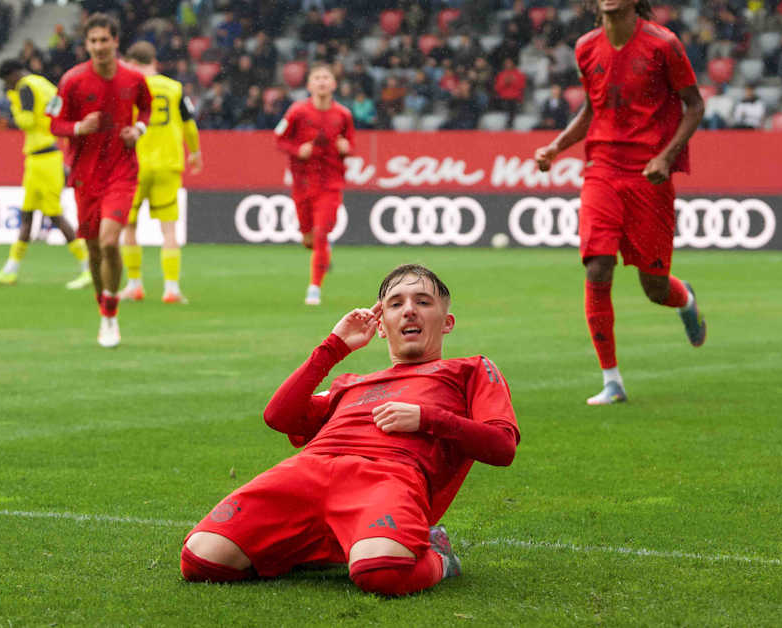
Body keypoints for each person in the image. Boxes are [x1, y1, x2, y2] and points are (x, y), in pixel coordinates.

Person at [181, 264, 519, 595]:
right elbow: (278, 416)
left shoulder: (470, 370)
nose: (409, 310)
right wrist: (334, 346)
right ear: (381, 325)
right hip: (306, 472)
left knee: (382, 572)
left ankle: (439, 555)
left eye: (423, 301)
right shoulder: (349, 384)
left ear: (447, 323)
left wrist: (428, 418)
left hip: (387, 477)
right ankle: (307, 548)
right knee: (201, 559)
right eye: (395, 304)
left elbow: (502, 446)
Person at [533, 0, 707, 406]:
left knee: (655, 287)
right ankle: (612, 380)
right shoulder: (585, 46)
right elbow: (592, 108)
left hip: (648, 173)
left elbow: (695, 104)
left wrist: (666, 156)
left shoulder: (663, 44)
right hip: (602, 168)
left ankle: (684, 298)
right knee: (597, 264)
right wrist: (556, 147)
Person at [48, 13, 152, 348]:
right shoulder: (71, 81)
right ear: (86, 44)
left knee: (109, 242)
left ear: (115, 41)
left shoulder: (134, 78)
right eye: (93, 41)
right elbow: (54, 123)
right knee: (93, 249)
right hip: (85, 176)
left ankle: (110, 310)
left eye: (104, 39)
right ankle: (103, 306)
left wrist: (138, 129)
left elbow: (146, 108)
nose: (98, 46)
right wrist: (80, 127)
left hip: (122, 171)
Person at [0, 59, 92, 289]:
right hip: (42, 156)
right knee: (27, 215)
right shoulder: (42, 83)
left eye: (7, 82)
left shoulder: (24, 87)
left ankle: (88, 267)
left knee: (55, 216)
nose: (8, 87)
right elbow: (58, 106)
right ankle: (10, 270)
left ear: (12, 75)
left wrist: (13, 104)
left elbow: (27, 122)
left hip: (44, 159)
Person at [118, 41, 203, 305]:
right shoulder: (174, 88)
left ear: (132, 63)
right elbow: (189, 124)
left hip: (135, 165)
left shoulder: (128, 87)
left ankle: (134, 285)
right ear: (154, 61)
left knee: (129, 226)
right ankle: (171, 289)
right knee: (169, 230)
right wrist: (195, 152)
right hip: (168, 164)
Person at [275, 64, 355, 306]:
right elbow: (279, 139)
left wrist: (346, 148)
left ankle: (314, 289)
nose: (322, 82)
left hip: (330, 183)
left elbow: (351, 142)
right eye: (317, 78)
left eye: (326, 78)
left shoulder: (343, 114)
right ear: (309, 85)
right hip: (303, 183)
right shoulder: (297, 111)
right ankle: (323, 253)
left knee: (321, 234)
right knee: (309, 238)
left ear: (333, 84)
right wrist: (297, 150)